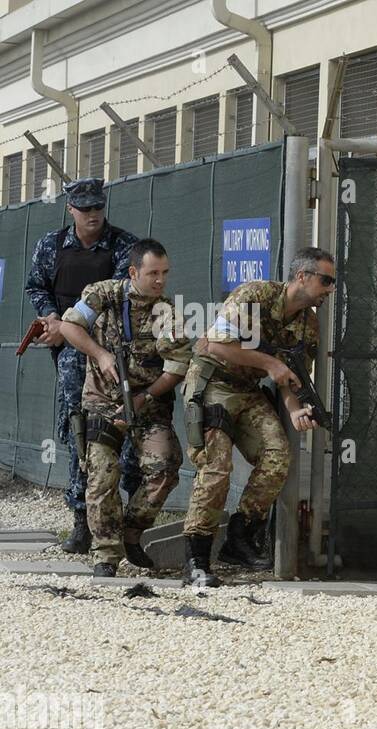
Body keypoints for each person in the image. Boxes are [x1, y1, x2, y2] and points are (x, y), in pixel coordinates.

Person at [179, 248, 335, 586]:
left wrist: (295, 409)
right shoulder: (255, 295)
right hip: (212, 382)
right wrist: (269, 364)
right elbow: (213, 345)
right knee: (216, 466)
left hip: (247, 390)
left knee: (278, 456)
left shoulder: (308, 323)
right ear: (302, 277)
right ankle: (197, 560)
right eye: (325, 280)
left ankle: (240, 538)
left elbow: (291, 375)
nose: (329, 289)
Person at [52, 239, 189, 576]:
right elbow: (69, 326)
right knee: (101, 475)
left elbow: (176, 368)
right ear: (133, 272)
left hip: (147, 403)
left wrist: (146, 397)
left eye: (165, 273)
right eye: (153, 273)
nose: (160, 280)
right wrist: (100, 354)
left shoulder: (167, 312)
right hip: (102, 401)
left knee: (165, 468)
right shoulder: (104, 294)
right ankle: (106, 555)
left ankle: (130, 532)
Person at [23, 177, 141, 552]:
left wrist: (69, 327)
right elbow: (36, 287)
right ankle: (81, 520)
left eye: (98, 208)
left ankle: (125, 523)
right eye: (85, 208)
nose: (92, 215)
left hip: (114, 350)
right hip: (73, 354)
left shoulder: (125, 246)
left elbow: (122, 296)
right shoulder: (51, 245)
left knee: (124, 428)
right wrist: (53, 319)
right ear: (70, 209)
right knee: (79, 429)